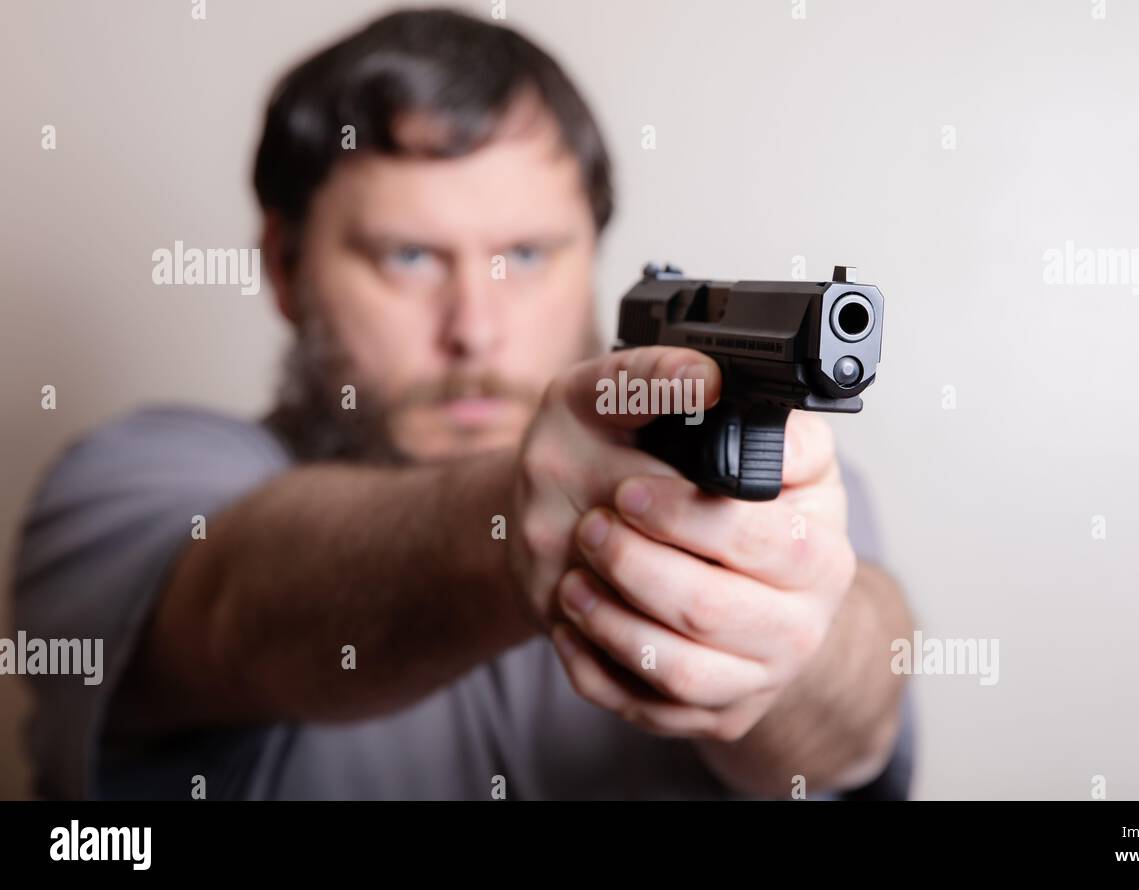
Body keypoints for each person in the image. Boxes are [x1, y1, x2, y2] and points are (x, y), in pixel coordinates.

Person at [11, 7, 914, 800]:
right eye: (408, 256)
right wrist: (516, 516)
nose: (475, 330)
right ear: (285, 268)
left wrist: (788, 639)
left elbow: (849, 726)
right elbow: (238, 609)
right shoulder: (130, 487)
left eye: (525, 255)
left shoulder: (767, 490)